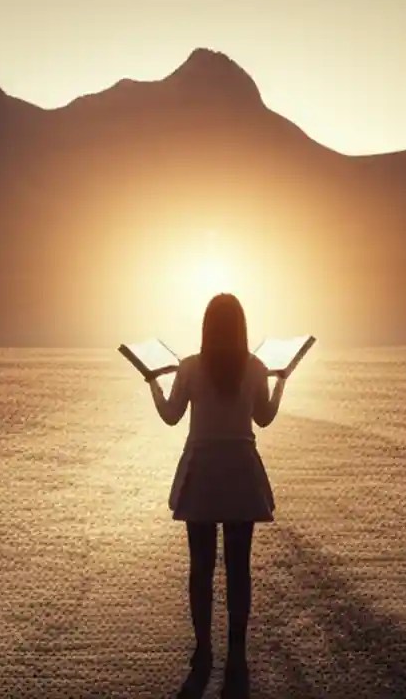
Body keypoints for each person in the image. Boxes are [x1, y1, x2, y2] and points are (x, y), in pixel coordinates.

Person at [147, 293, 287, 699]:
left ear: (206, 327)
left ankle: (203, 650)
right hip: (241, 472)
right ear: (241, 327)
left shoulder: (190, 366)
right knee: (239, 570)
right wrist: (281, 383)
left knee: (201, 569)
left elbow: (171, 416)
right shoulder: (255, 366)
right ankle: (237, 655)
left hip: (203, 474)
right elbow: (264, 417)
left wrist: (153, 383)